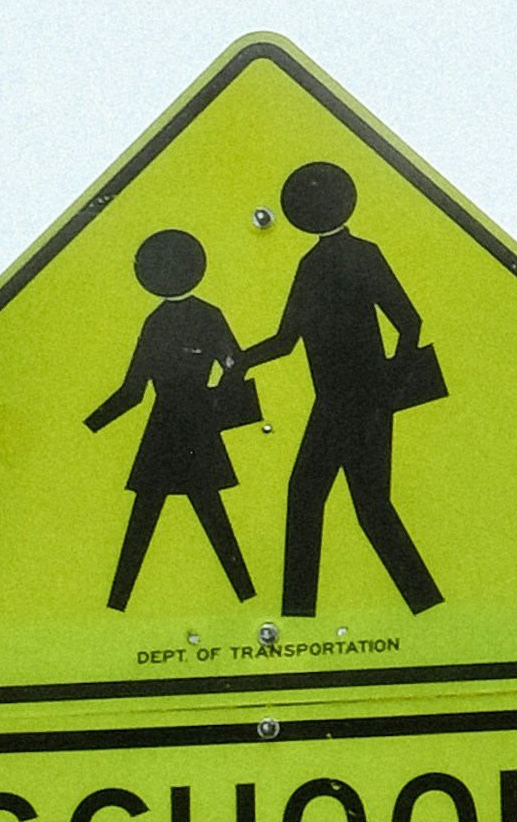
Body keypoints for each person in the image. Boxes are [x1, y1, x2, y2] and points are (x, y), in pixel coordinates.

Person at [240, 154, 444, 621]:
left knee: (343, 504)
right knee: (345, 504)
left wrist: (388, 384)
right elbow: (289, 340)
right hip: (342, 405)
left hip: (354, 404)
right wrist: (240, 362)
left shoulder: (340, 260)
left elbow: (407, 321)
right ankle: (307, 615)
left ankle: (421, 609)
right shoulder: (326, 261)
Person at [83, 228, 261, 609]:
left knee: (147, 518)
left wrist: (93, 424)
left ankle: (118, 602)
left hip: (165, 431)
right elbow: (235, 364)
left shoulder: (156, 322)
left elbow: (133, 391)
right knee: (209, 514)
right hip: (197, 429)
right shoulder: (207, 315)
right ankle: (245, 596)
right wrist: (216, 403)